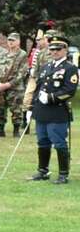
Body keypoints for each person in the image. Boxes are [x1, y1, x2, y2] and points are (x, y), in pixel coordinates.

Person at [26, 36, 76, 184]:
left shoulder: (70, 68)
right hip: (42, 111)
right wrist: (31, 107)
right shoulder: (46, 66)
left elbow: (70, 90)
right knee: (42, 141)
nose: (54, 52)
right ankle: (43, 171)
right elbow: (38, 87)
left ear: (65, 50)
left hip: (57, 112)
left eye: (58, 49)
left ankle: (63, 174)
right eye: (52, 49)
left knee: (59, 142)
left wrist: (50, 98)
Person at [0, 32, 28, 138]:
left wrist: (9, 84)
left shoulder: (22, 54)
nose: (11, 42)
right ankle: (0, 130)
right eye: (9, 40)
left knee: (16, 109)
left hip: (15, 88)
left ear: (18, 41)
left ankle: (16, 130)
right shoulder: (2, 54)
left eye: (13, 40)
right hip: (1, 87)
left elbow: (22, 72)